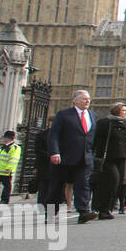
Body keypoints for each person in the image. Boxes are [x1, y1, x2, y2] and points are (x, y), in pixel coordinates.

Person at [47, 90, 97, 223]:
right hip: (65, 157)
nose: (87, 101)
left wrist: (93, 154)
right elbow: (54, 135)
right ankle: (51, 213)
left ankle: (84, 212)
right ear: (74, 100)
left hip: (85, 157)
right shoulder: (64, 115)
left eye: (88, 99)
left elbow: (92, 136)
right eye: (83, 99)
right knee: (57, 186)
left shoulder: (92, 115)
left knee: (83, 185)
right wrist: (55, 152)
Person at [92, 103, 126, 220]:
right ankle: (102, 209)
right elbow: (97, 139)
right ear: (116, 111)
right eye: (124, 110)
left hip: (122, 158)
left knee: (117, 184)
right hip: (108, 158)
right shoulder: (105, 123)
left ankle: (107, 208)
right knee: (111, 182)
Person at [0, 130, 22, 204]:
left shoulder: (15, 147)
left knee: (6, 186)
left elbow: (14, 159)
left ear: (8, 138)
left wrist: (9, 168)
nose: (3, 139)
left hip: (5, 171)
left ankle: (5, 199)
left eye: (5, 137)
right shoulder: (3, 147)